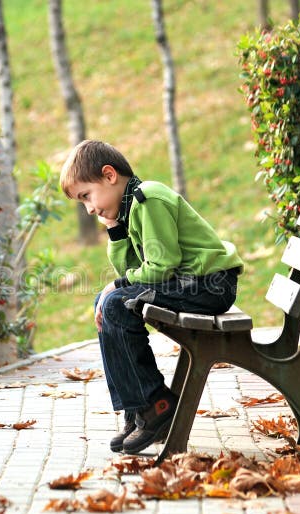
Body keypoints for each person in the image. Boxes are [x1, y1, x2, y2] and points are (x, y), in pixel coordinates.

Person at [59, 140, 244, 454]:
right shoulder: (131, 208)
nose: (89, 209)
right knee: (107, 303)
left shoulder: (149, 199)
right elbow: (134, 269)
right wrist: (116, 232)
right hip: (188, 284)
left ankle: (155, 405)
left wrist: (116, 285)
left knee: (116, 302)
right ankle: (137, 409)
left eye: (86, 196)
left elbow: (160, 267)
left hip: (209, 285)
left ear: (109, 175)